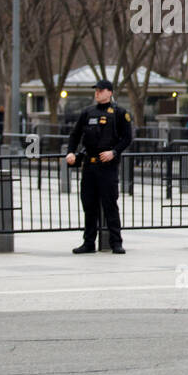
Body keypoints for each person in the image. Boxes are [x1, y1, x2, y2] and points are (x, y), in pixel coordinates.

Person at [65, 79, 134, 254]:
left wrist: (114, 152)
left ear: (110, 92)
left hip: (107, 166)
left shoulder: (119, 113)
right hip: (89, 165)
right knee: (89, 205)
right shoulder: (88, 112)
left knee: (110, 204)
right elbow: (75, 134)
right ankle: (89, 242)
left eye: (101, 90)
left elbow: (127, 138)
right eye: (96, 90)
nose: (97, 93)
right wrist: (71, 152)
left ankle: (116, 242)